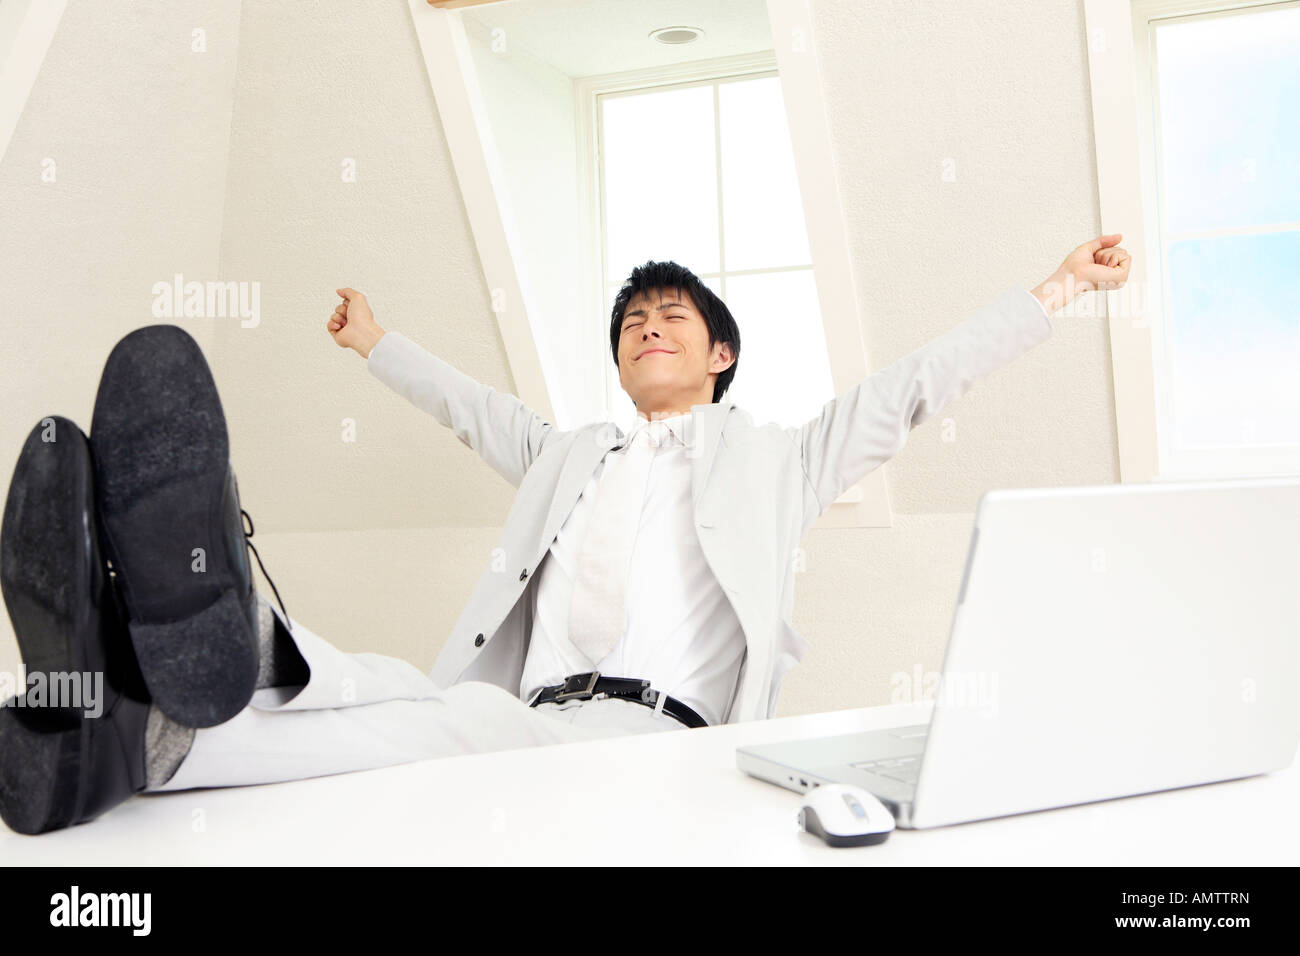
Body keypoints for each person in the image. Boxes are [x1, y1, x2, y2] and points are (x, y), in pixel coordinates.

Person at [0, 240, 1131, 835]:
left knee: (427, 729)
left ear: (719, 355)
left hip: (653, 741)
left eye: (671, 316)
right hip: (522, 712)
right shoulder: (570, 453)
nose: (648, 325)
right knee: (397, 697)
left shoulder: (782, 459)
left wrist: (1058, 289)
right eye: (633, 318)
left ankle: (217, 631)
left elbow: (915, 386)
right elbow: (472, 409)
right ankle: (130, 729)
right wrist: (379, 342)